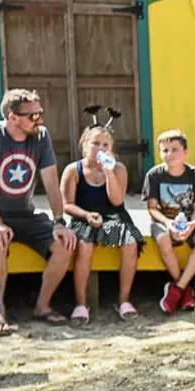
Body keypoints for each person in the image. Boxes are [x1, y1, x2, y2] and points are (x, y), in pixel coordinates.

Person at [0, 89, 77, 334]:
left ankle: (42, 306)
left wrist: (59, 221)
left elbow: (50, 181)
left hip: (25, 216)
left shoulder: (40, 136)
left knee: (64, 242)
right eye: (33, 116)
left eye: (40, 113)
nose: (40, 120)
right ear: (13, 117)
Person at [61, 123, 143, 323]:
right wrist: (87, 215)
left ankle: (124, 300)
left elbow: (116, 201)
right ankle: (81, 303)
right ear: (85, 145)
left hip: (113, 216)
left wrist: (109, 172)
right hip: (84, 217)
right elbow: (67, 205)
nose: (101, 148)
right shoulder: (73, 170)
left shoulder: (119, 169)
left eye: (106, 145)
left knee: (130, 243)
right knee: (85, 245)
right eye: (96, 143)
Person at [143, 129, 195, 314]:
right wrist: (168, 223)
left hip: (189, 222)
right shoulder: (154, 175)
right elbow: (153, 208)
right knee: (163, 239)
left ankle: (177, 289)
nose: (169, 154)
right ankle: (185, 289)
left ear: (185, 152)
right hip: (164, 222)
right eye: (164, 150)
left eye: (174, 149)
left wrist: (191, 226)